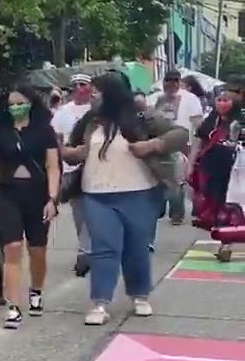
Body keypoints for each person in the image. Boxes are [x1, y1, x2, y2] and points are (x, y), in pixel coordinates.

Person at [63, 73, 189, 325]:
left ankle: (140, 296)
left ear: (111, 93)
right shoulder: (89, 121)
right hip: (96, 195)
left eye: (96, 91)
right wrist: (73, 153)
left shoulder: (143, 116)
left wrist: (152, 145)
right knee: (104, 248)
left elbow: (181, 134)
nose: (92, 95)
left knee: (136, 247)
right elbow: (68, 150)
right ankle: (100, 303)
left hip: (139, 193)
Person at [0, 86, 60, 329]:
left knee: (37, 250)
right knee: (13, 247)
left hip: (37, 194)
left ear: (31, 103)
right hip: (8, 194)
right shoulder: (0, 132)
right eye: (12, 104)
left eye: (21, 102)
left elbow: (53, 166)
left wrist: (52, 198)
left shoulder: (44, 131)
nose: (16, 107)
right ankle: (13, 306)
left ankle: (36, 290)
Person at [189, 89, 244, 262]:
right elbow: (199, 142)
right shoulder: (211, 121)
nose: (221, 103)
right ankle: (225, 244)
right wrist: (190, 164)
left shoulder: (241, 121)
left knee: (237, 205)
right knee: (220, 206)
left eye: (226, 100)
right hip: (214, 169)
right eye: (219, 100)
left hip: (239, 170)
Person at [51, 73, 94, 276]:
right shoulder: (62, 113)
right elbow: (56, 142)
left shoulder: (97, 110)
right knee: (79, 213)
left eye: (83, 84)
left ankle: (87, 252)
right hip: (72, 169)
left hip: (96, 168)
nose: (79, 88)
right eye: (75, 85)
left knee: (94, 211)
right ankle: (86, 248)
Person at [147, 69, 202, 225]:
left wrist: (196, 145)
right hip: (157, 142)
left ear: (179, 82)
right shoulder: (155, 98)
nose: (171, 84)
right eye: (168, 80)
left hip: (181, 141)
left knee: (175, 180)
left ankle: (176, 214)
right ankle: (159, 210)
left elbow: (197, 121)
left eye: (175, 81)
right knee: (158, 179)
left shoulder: (190, 99)